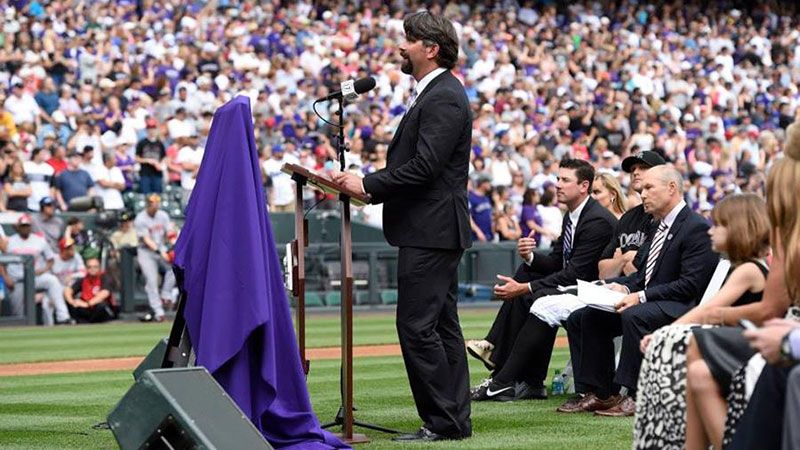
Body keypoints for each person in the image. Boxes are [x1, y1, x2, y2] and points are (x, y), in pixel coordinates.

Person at [332, 11, 472, 442]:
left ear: (431, 48)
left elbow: (426, 167)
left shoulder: (443, 96)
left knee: (417, 327)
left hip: (431, 230)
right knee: (441, 326)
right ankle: (452, 421)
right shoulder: (435, 93)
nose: (401, 47)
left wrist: (368, 184)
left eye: (408, 40)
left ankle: (443, 421)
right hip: (432, 229)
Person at [562, 165, 717, 417]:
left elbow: (690, 285)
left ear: (671, 188)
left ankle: (637, 394)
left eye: (649, 188)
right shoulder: (657, 226)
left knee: (634, 315)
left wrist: (640, 296)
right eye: (642, 188)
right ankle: (601, 392)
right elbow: (644, 276)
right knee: (585, 316)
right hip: (653, 300)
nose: (642, 194)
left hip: (681, 305)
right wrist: (623, 286)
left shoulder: (695, 227)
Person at [468, 159, 617, 401]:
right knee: (526, 273)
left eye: (565, 180)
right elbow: (557, 261)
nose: (557, 185)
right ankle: (524, 379)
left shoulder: (596, 220)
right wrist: (530, 257)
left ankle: (507, 377)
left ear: (583, 186)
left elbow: (576, 273)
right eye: (558, 179)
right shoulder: (573, 216)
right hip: (576, 286)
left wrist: (524, 288)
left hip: (595, 291)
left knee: (534, 296)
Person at [633, 194, 771, 449]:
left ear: (739, 228)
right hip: (745, 347)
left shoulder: (748, 270)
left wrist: (666, 332)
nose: (710, 231)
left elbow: (709, 310)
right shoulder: (745, 267)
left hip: (752, 351)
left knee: (681, 353)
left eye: (718, 225)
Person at [6, 214, 72, 325]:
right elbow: (2, 262)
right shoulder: (10, 241)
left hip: (35, 278)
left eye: (27, 226)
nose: (25, 228)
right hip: (17, 280)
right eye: (23, 226)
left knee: (52, 281)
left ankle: (63, 317)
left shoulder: (39, 240)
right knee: (18, 314)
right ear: (18, 227)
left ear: (31, 226)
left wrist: (43, 270)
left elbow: (51, 260)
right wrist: (6, 278)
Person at [135, 193, 175, 322]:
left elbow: (170, 232)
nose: (156, 205)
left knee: (175, 268)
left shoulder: (163, 215)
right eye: (153, 203)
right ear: (148, 204)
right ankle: (158, 311)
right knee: (152, 281)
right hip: (146, 252)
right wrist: (161, 252)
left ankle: (166, 294)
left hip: (161, 248)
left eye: (157, 202)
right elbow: (147, 240)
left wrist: (174, 245)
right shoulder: (140, 218)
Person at [64, 257, 117, 323]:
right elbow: (68, 290)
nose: (92, 269)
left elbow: (104, 293)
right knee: (71, 304)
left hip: (101, 309)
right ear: (86, 269)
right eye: (89, 267)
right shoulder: (84, 279)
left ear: (99, 268)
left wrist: (87, 304)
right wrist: (72, 302)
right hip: (87, 309)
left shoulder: (105, 278)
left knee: (101, 305)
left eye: (95, 267)